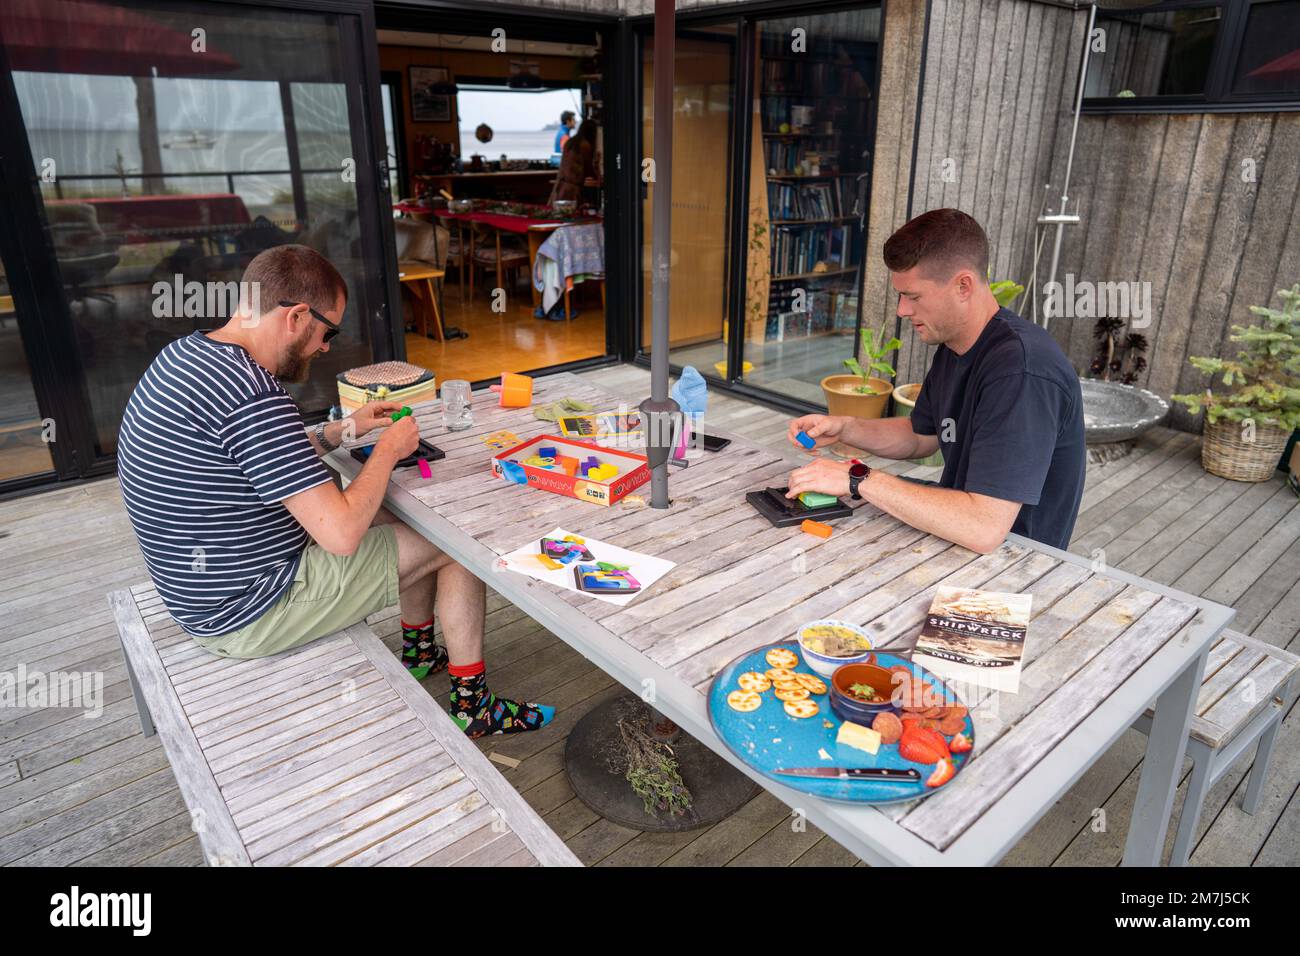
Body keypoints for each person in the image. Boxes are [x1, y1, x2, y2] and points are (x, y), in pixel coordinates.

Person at [116, 244, 553, 737]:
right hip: (250, 609)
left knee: (404, 520)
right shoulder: (253, 393)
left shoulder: (192, 356)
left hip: (203, 588)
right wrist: (387, 451)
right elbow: (341, 534)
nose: (325, 347)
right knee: (459, 545)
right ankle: (474, 708)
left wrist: (343, 430)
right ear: (297, 315)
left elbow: (257, 454)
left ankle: (419, 650)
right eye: (328, 332)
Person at [786, 208, 1085, 553]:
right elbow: (920, 436)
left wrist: (858, 479)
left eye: (913, 296)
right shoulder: (955, 345)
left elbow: (984, 528)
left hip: (1013, 564)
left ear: (963, 285)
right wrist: (846, 428)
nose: (901, 310)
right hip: (954, 536)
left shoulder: (1023, 370)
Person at [548, 119, 599, 205]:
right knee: (570, 214)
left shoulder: (571, 142)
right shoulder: (585, 145)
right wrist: (597, 172)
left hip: (560, 185)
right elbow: (588, 169)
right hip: (571, 189)